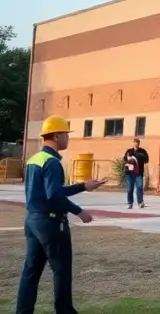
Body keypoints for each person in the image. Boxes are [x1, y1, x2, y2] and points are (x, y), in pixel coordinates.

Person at [17, 115, 107, 314]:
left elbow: (50, 192)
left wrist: (83, 186)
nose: (68, 138)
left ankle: (23, 311)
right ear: (57, 136)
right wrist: (80, 212)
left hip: (33, 220)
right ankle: (65, 310)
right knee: (61, 270)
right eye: (66, 134)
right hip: (50, 223)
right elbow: (55, 195)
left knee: (31, 271)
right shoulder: (52, 162)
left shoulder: (35, 159)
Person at [123, 137, 149, 209]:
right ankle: (130, 203)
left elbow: (147, 159)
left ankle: (140, 202)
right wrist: (128, 158)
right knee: (129, 188)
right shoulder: (129, 151)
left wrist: (138, 156)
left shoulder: (142, 151)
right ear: (133, 143)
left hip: (138, 173)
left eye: (137, 142)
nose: (136, 143)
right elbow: (124, 159)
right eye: (135, 142)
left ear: (139, 143)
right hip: (129, 173)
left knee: (140, 187)